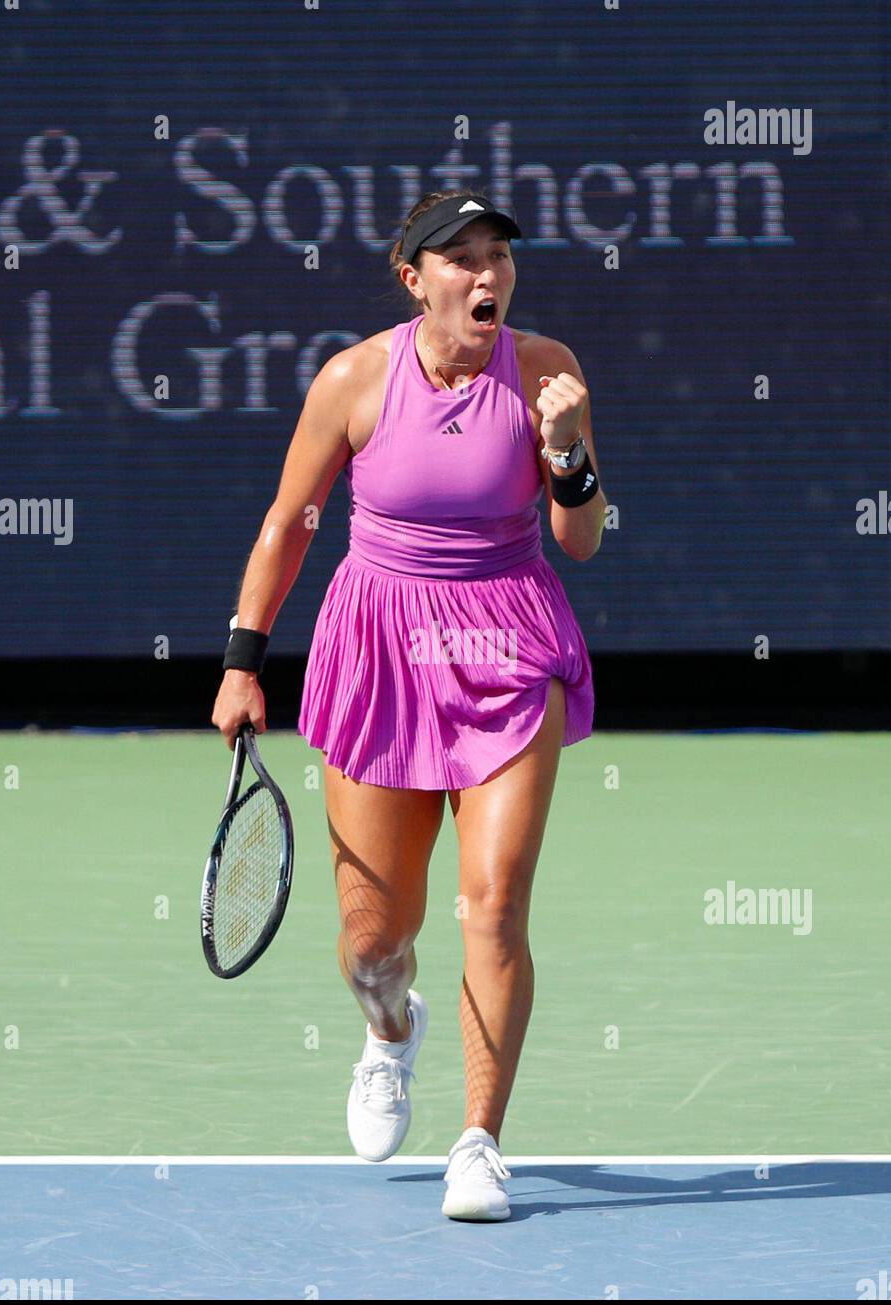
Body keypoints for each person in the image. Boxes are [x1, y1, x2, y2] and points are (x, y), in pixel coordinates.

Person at [212, 189, 607, 1221]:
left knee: (497, 903)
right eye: (461, 259)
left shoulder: (542, 370)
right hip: (380, 652)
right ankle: (392, 1031)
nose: (486, 276)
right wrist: (241, 659)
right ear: (412, 277)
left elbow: (580, 540)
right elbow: (289, 524)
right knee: (371, 942)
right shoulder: (354, 378)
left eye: (497, 259)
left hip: (507, 648)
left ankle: (477, 1142)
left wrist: (565, 451)